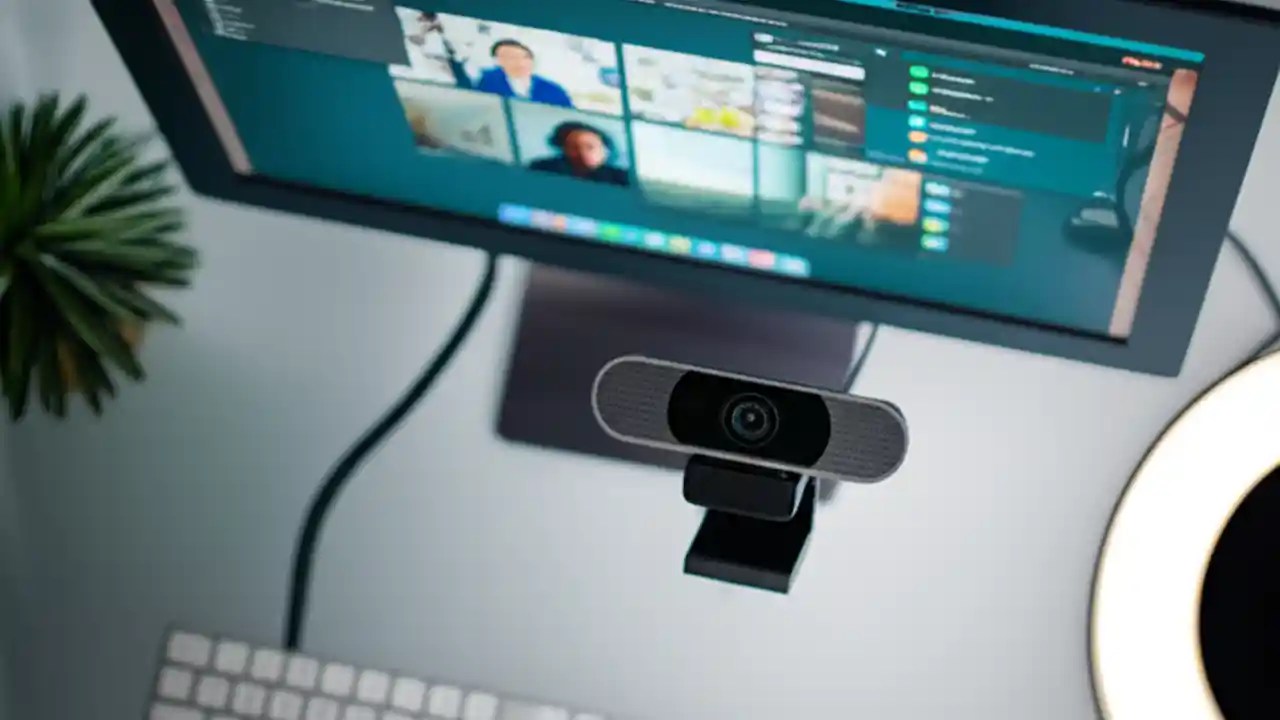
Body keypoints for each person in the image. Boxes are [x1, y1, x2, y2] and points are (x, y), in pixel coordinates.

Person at [448, 37, 574, 108]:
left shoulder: (553, 89)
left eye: (524, 57)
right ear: (498, 62)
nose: (520, 63)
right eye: (509, 58)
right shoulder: (486, 82)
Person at [529, 122, 630, 186]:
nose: (582, 152)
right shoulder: (541, 169)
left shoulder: (622, 178)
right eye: (574, 147)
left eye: (590, 147)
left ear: (605, 150)